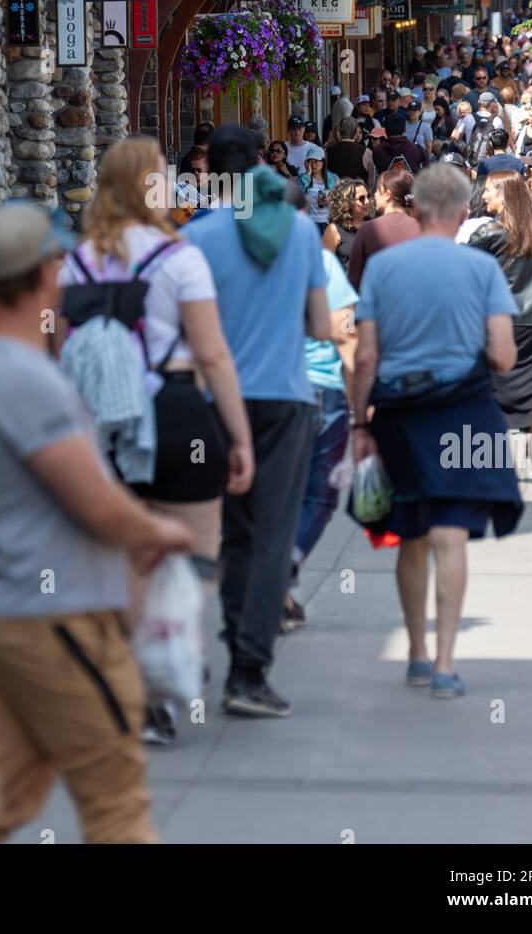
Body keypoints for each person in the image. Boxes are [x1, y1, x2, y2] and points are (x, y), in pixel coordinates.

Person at [0, 203, 194, 845]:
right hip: (57, 620)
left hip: (19, 608)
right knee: (117, 799)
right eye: (58, 260)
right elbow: (93, 500)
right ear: (41, 274)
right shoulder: (25, 378)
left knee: (2, 795)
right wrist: (159, 531)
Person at [58, 137, 255, 742]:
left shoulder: (76, 261)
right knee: (194, 552)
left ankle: (133, 688)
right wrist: (239, 435)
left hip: (104, 418)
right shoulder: (180, 256)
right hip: (175, 413)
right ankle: (174, 660)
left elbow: (61, 349)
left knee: (121, 554)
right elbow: (214, 355)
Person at [349, 165, 521, 698]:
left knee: (411, 533)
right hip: (466, 412)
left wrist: (359, 421)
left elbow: (367, 355)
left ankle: (417, 655)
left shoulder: (384, 268)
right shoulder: (481, 268)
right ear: (464, 213)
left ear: (416, 208)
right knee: (451, 535)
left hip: (400, 412)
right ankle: (446, 661)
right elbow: (502, 356)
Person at [186, 126, 331, 718]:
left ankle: (231, 642)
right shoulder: (300, 231)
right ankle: (249, 670)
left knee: (233, 534)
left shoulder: (194, 237)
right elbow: (322, 326)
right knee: (273, 534)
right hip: (288, 397)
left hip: (216, 403)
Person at [283, 249, 359, 631]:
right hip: (318, 391)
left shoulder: (231, 253)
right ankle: (281, 573)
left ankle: (272, 591)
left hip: (257, 389)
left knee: (272, 493)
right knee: (319, 494)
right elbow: (346, 334)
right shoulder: (317, 260)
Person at [468, 172, 532, 459]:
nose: (483, 196)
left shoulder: (488, 233)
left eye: (488, 190)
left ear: (503, 194)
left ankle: (486, 459)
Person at [347, 169, 420, 290]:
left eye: (377, 190)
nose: (374, 195)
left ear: (387, 194)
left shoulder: (368, 230)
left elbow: (354, 280)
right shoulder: (423, 228)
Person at [323, 177, 374, 273]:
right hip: (346, 286)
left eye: (368, 196)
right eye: (362, 198)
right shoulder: (334, 230)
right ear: (347, 202)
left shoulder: (373, 226)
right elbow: (324, 266)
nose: (367, 201)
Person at [298, 143, 340, 232]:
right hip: (309, 224)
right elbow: (297, 196)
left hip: (329, 223)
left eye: (316, 161)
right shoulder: (303, 178)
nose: (313, 165)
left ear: (323, 162)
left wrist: (331, 199)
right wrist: (308, 175)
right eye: (310, 161)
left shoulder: (333, 178)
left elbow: (342, 198)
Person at [326, 117, 374, 188]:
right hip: (358, 195)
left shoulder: (328, 150)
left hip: (335, 194)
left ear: (339, 131)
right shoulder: (366, 152)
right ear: (355, 133)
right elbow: (371, 180)